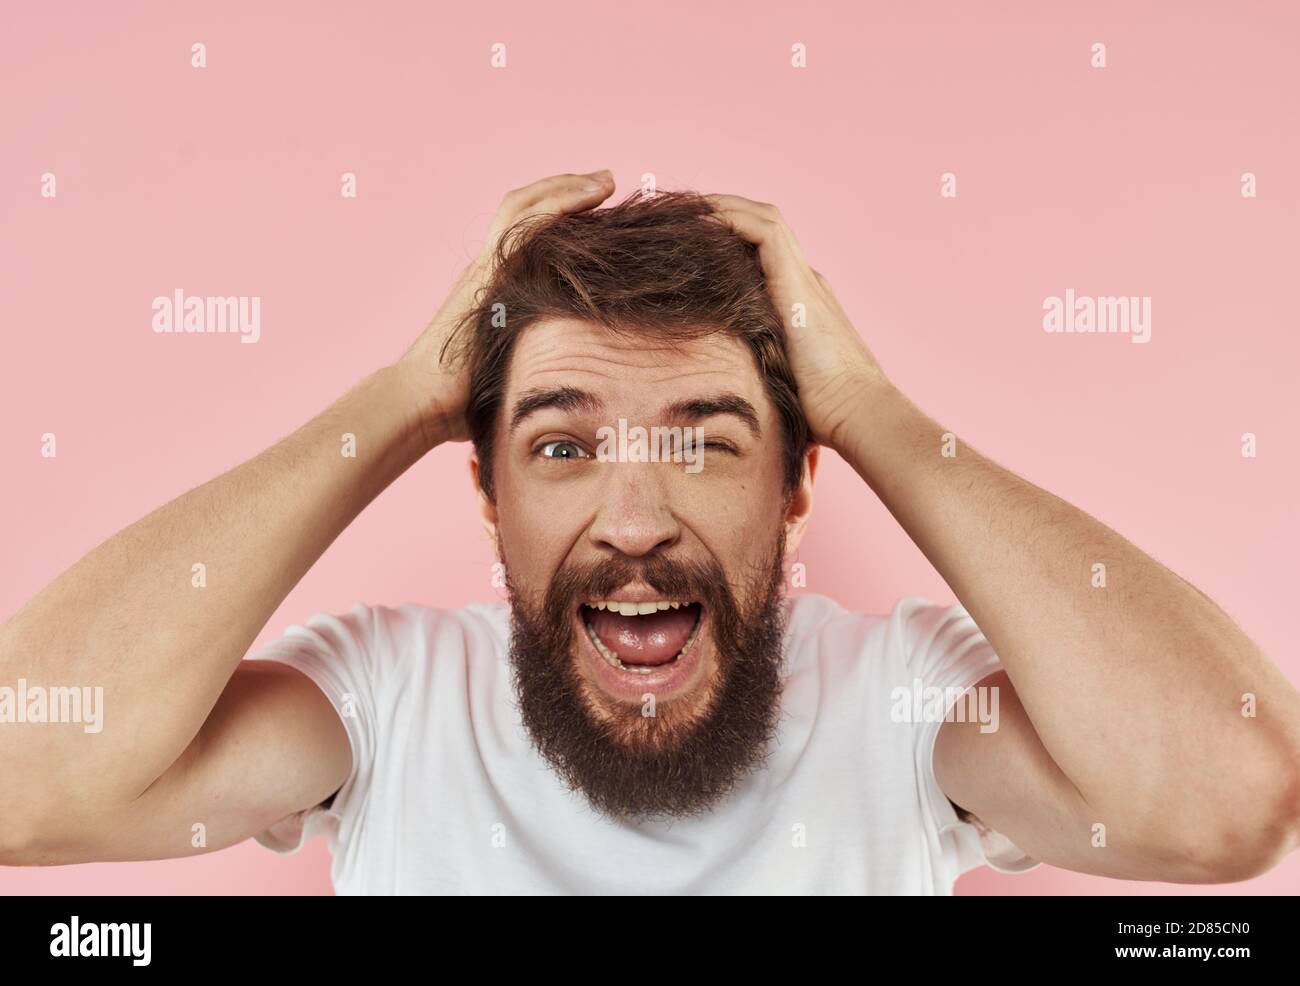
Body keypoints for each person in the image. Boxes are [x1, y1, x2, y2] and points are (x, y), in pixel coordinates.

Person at [2, 171, 1297, 894]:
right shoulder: (389, 704)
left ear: (797, 482)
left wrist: (870, 412)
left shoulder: (903, 709)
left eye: (706, 439)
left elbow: (1233, 802)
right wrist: (405, 398)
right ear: (488, 492)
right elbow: (26, 773)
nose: (631, 519)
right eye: (561, 445)